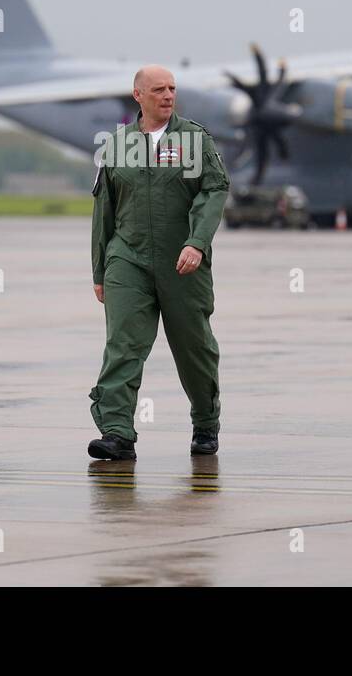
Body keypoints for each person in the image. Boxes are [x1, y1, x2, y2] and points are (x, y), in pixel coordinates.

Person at [88, 65, 230, 461]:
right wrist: (100, 271)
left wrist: (197, 243)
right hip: (127, 259)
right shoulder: (117, 145)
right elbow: (104, 210)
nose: (168, 96)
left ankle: (205, 423)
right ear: (138, 95)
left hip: (182, 260)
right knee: (123, 345)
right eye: (158, 90)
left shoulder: (194, 140)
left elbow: (214, 191)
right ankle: (117, 433)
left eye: (172, 89)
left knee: (194, 347)